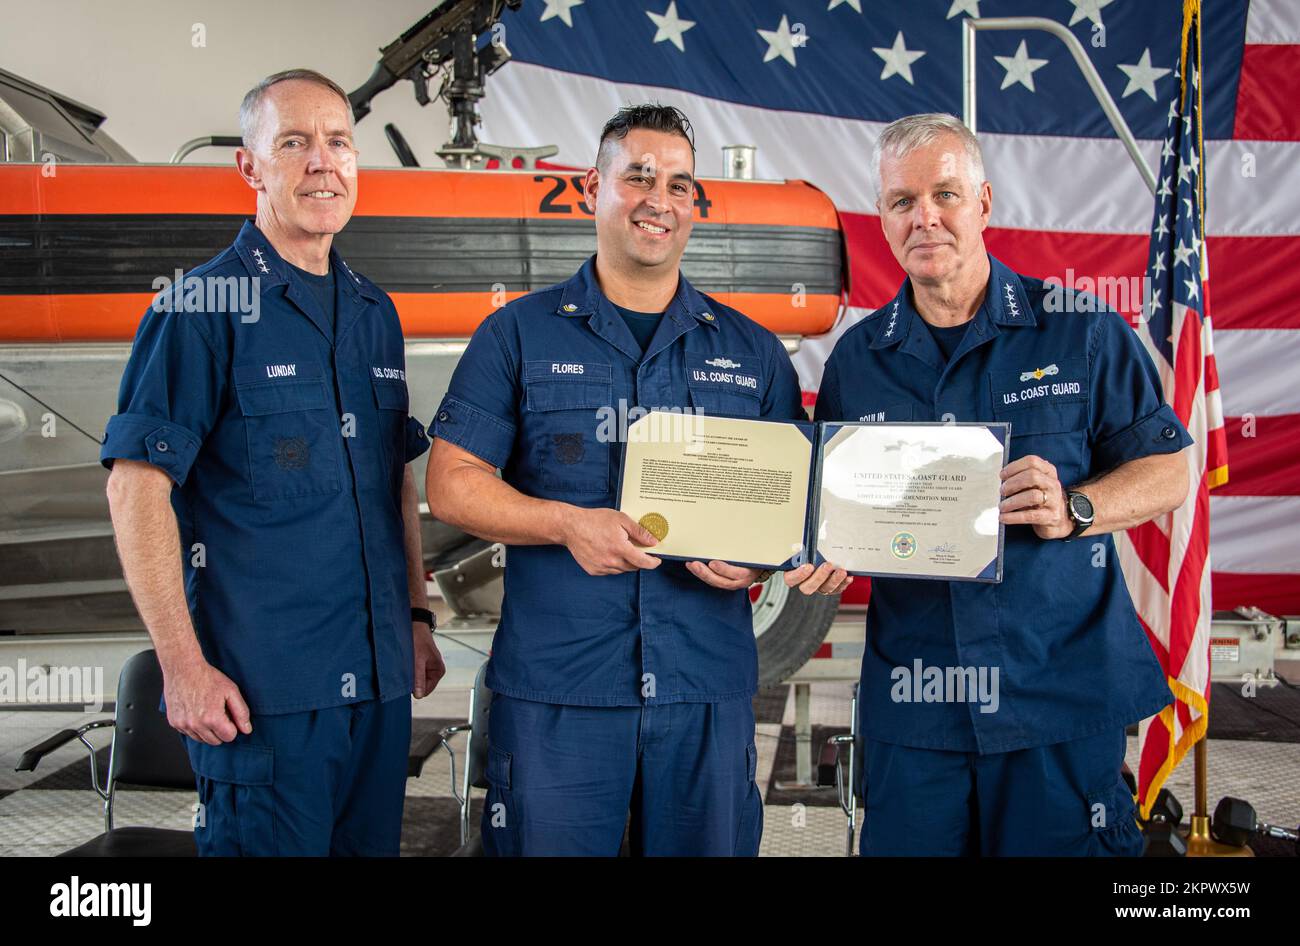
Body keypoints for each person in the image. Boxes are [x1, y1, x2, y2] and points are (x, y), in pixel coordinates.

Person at [425, 104, 842, 855]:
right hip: (560, 689)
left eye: (680, 185)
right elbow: (452, 482)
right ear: (593, 186)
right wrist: (564, 523)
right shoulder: (516, 335)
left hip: (703, 690)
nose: (660, 200)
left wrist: (756, 558)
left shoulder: (753, 353)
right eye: (639, 176)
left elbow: (797, 508)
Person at [790, 112, 1190, 856]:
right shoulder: (857, 360)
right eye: (902, 202)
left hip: (1058, 696)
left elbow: (1170, 470)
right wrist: (816, 552)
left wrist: (1077, 506)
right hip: (918, 711)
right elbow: (828, 515)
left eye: (945, 194)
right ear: (881, 216)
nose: (925, 218)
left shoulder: (1079, 330)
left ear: (984, 203)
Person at [101, 69, 444, 856]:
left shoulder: (374, 313)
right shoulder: (198, 308)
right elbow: (136, 486)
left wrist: (418, 618)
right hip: (264, 699)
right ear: (250, 167)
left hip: (381, 686)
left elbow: (395, 480)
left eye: (338, 142)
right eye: (293, 143)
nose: (322, 162)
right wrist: (181, 668)